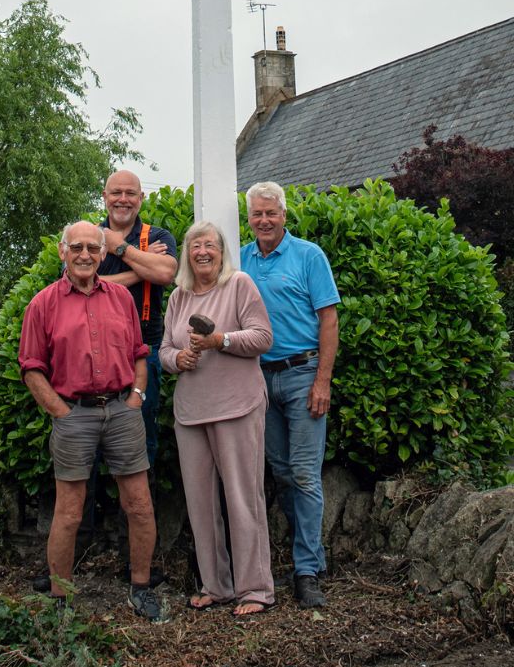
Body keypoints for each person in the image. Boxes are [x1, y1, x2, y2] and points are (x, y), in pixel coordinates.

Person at [19, 220, 162, 621]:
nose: (85, 255)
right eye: (77, 247)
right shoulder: (42, 304)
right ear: (62, 252)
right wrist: (60, 413)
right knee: (69, 512)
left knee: (139, 505)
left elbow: (139, 353)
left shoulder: (121, 298)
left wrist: (136, 398)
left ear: (103, 254)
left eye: (93, 248)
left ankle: (141, 588)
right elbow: (31, 368)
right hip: (74, 414)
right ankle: (60, 599)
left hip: (122, 411)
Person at [161, 221, 275, 616]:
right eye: (195, 246)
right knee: (201, 504)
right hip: (191, 412)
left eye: (209, 245)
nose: (202, 252)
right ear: (187, 255)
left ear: (222, 252)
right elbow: (163, 350)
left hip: (237, 406)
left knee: (243, 499)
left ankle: (255, 589)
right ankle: (216, 585)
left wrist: (219, 340)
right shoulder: (178, 297)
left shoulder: (239, 285)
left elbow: (263, 337)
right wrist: (178, 359)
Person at [241, 181, 341, 608]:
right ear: (249, 218)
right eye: (257, 214)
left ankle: (307, 572)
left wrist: (323, 381)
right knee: (281, 472)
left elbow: (329, 320)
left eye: (271, 213)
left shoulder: (308, 255)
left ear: (284, 215)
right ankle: (307, 558)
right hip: (257, 379)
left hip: (302, 375)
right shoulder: (241, 259)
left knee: (304, 474)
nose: (264, 220)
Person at [97, 170, 179, 468]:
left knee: (142, 442)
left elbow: (165, 273)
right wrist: (141, 268)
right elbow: (81, 284)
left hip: (143, 353)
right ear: (104, 197)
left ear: (141, 198)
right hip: (94, 354)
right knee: (92, 446)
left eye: (130, 193)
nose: (123, 199)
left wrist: (119, 247)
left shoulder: (158, 236)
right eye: (116, 193)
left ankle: (142, 498)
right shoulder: (89, 237)